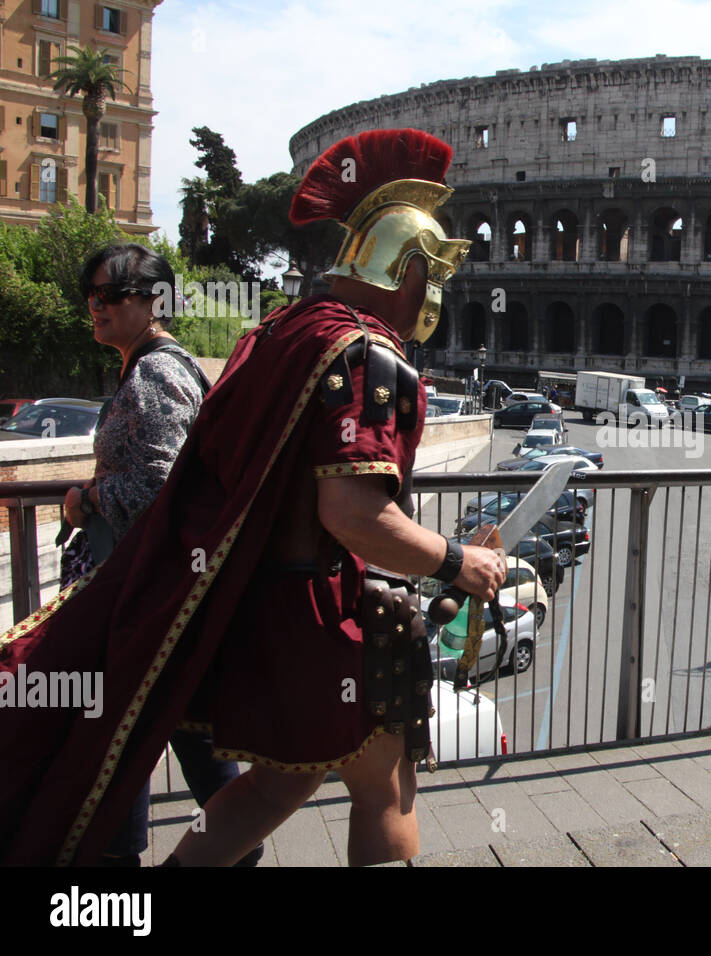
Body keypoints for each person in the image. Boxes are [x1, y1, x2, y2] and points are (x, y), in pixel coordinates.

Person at [0, 129, 506, 866]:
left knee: (273, 789)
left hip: (243, 605)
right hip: (313, 619)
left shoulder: (279, 329)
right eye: (434, 276)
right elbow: (351, 513)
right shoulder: (370, 356)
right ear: (409, 271)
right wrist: (458, 562)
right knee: (387, 782)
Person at [59, 243, 253, 867]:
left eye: (110, 295)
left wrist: (89, 496)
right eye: (91, 295)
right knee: (172, 738)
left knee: (115, 748)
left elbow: (163, 487)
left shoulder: (156, 372)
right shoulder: (143, 367)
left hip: (145, 604)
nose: (96, 305)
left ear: (154, 302)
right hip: (152, 601)